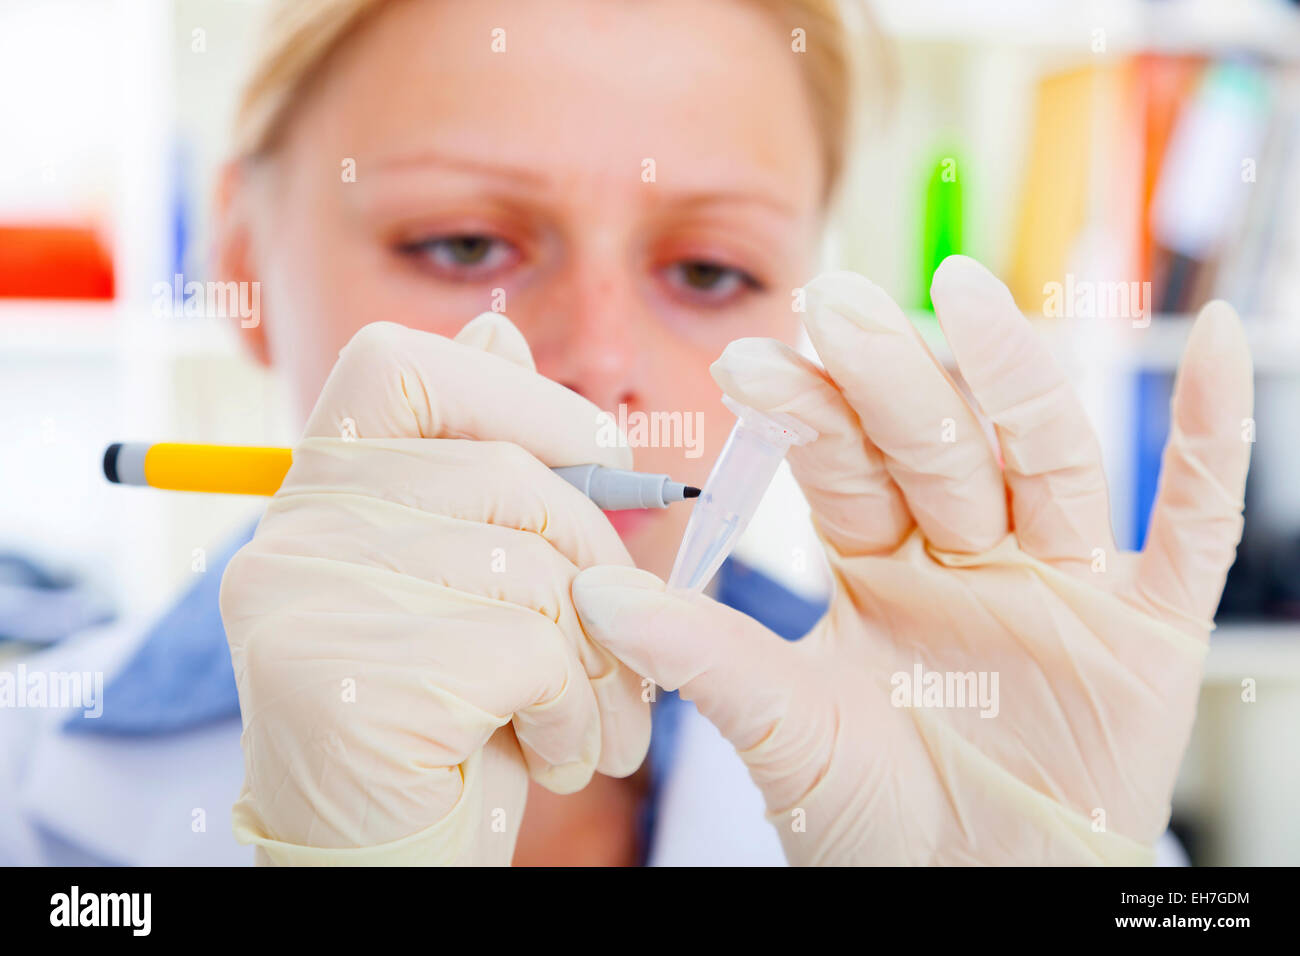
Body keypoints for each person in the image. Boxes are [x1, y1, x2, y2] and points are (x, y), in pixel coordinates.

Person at [1, 0, 1248, 866]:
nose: (598, 368)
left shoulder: (1021, 789)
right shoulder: (27, 791)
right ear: (240, 273)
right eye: (464, 246)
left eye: (707, 268)